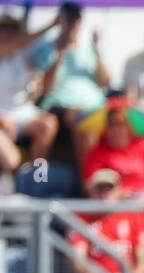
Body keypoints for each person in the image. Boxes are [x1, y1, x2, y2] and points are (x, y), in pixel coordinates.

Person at [30, 4, 109, 161]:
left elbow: (105, 82)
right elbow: (44, 89)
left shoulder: (90, 47)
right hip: (60, 107)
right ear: (60, 21)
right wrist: (59, 54)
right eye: (69, 18)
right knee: (85, 121)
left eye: (77, 19)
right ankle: (88, 181)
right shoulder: (45, 48)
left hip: (94, 106)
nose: (73, 23)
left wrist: (97, 49)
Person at [0, 9, 61, 162]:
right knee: (6, 134)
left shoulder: (23, 57)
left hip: (23, 113)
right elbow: (19, 43)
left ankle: (36, 177)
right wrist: (53, 24)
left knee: (48, 124)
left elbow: (44, 86)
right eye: (4, 29)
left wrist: (61, 50)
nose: (9, 33)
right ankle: (5, 181)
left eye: (13, 29)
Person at [81, 100, 144, 205]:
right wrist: (112, 198)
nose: (117, 129)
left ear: (129, 126)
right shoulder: (97, 151)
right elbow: (90, 185)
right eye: (112, 125)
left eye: (121, 124)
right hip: (113, 204)